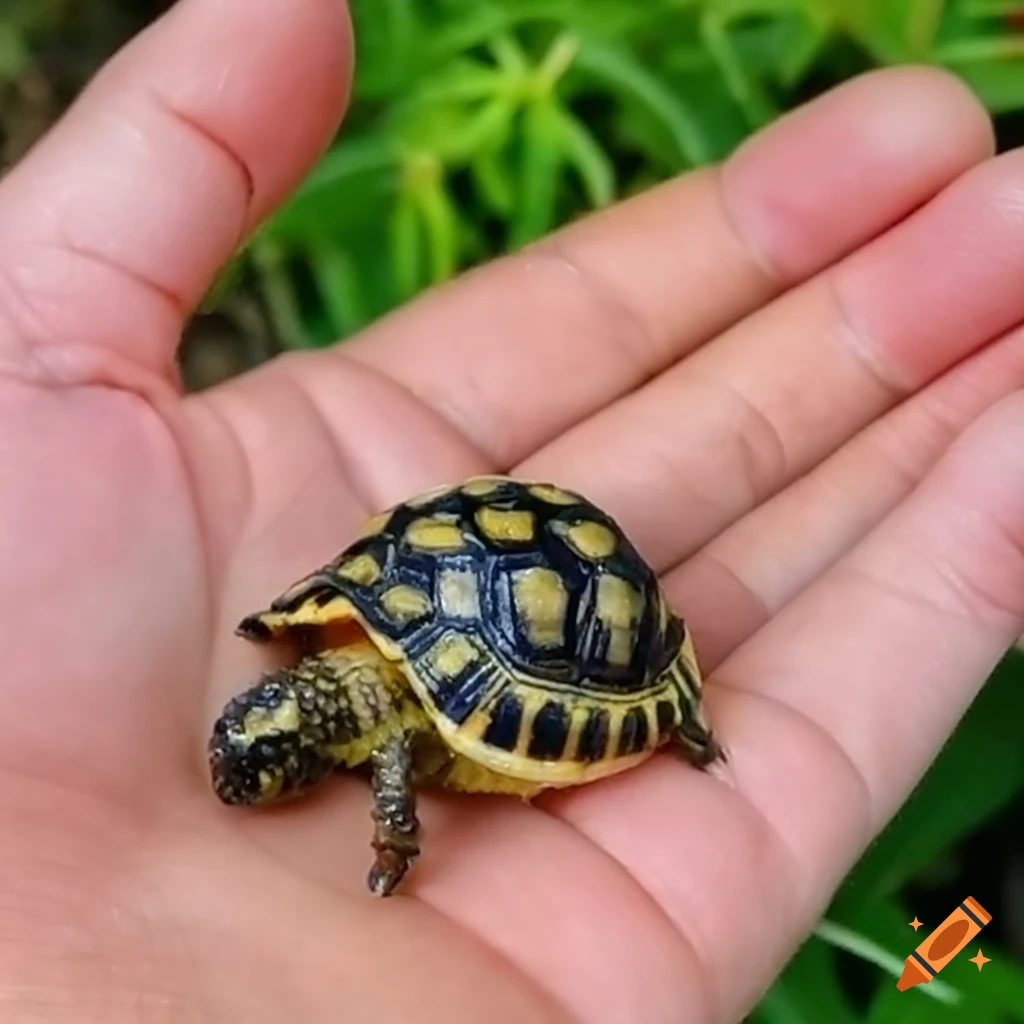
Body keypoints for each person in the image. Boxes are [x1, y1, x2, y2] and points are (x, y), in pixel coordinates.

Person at [2, 2, 1023, 1022]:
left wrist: (391, 850)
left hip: (566, 627)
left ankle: (703, 732)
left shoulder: (392, 743)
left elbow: (394, 782)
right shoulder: (346, 661)